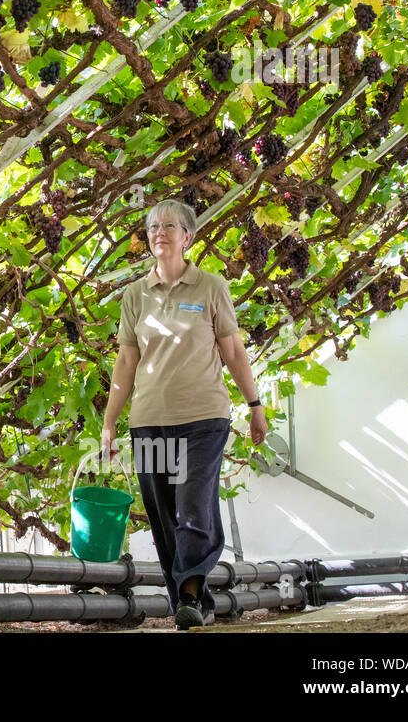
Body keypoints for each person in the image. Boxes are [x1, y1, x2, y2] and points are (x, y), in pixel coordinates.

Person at [99, 198, 268, 630]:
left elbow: (232, 350)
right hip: (151, 422)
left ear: (187, 237)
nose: (159, 232)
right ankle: (192, 603)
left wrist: (254, 405)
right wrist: (109, 422)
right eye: (153, 226)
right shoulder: (135, 295)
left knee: (193, 501)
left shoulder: (211, 287)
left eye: (169, 226)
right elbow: (125, 363)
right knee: (165, 513)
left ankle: (190, 594)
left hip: (203, 419)